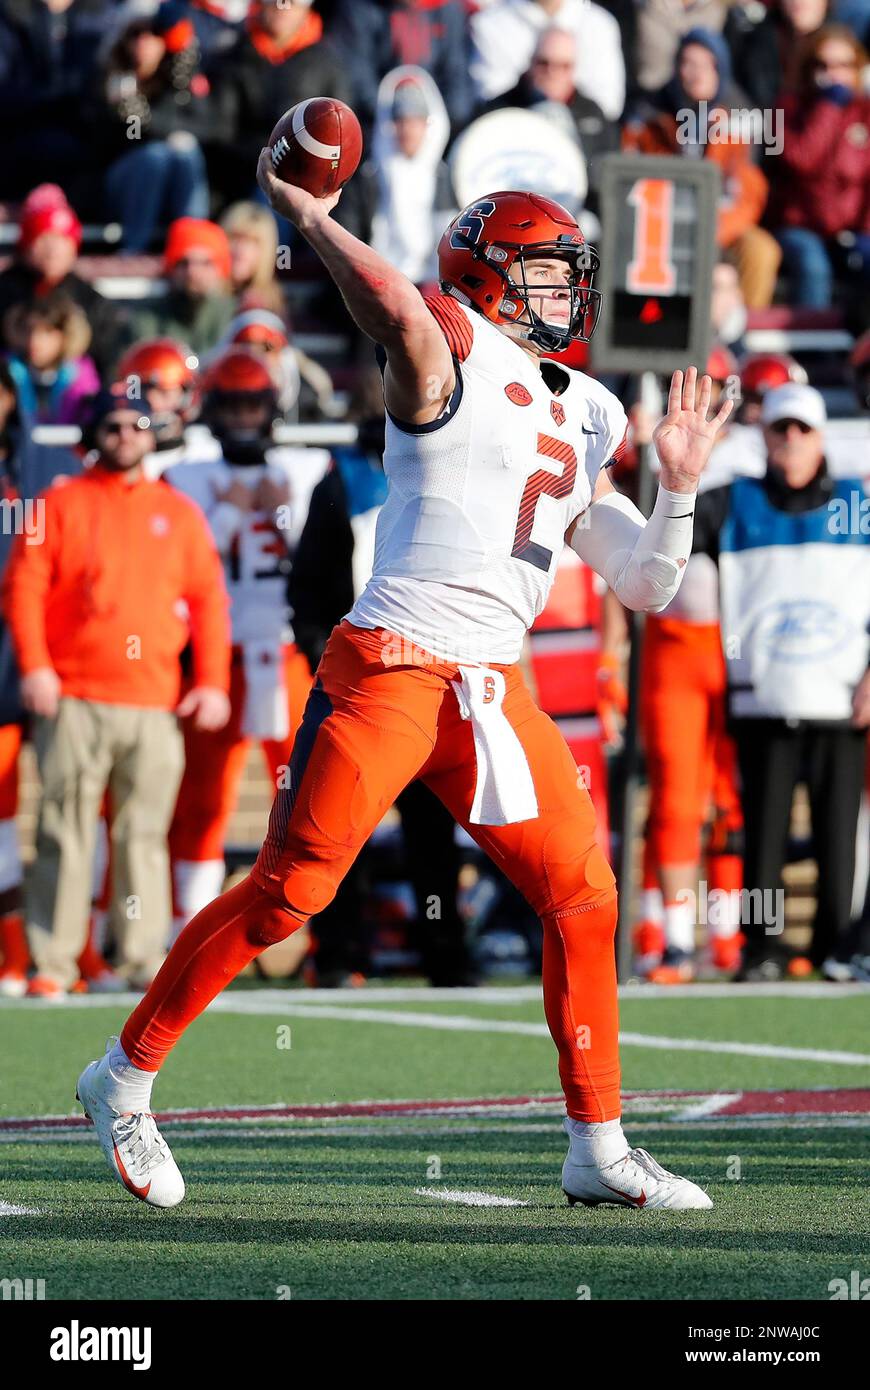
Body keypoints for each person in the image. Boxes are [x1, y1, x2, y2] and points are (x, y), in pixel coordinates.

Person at [75, 160, 732, 1211]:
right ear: (491, 277)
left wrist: (681, 488)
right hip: (391, 665)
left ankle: (596, 1141)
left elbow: (646, 582)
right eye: (552, 271)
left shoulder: (595, 409)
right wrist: (310, 219)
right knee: (294, 892)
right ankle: (124, 1073)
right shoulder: (450, 346)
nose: (571, 291)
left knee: (583, 893)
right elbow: (395, 310)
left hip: (490, 688)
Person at [1, 385, 231, 998]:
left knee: (144, 836)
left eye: (137, 424)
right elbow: (23, 588)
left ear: (154, 434)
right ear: (92, 436)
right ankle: (53, 963)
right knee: (63, 830)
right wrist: (36, 667)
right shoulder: (60, 503)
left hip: (154, 701)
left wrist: (209, 682)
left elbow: (209, 602)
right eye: (113, 425)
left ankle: (138, 958)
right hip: (73, 693)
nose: (126, 434)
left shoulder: (179, 512)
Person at [690, 383, 870, 980]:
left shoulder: (859, 504)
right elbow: (665, 525)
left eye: (802, 431)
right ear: (765, 436)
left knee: (836, 839)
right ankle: (762, 948)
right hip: (761, 701)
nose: (791, 442)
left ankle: (834, 949)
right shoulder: (731, 502)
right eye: (781, 430)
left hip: (841, 700)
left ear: (821, 438)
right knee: (762, 840)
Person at [165, 348, 329, 938]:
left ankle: (312, 933)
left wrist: (284, 518)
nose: (242, 418)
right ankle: (188, 929)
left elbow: (321, 560)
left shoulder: (304, 468)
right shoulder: (186, 473)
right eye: (231, 404)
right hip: (219, 654)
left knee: (313, 800)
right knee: (205, 798)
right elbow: (183, 564)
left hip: (286, 652)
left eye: (252, 404)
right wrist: (233, 517)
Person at [0, 361, 80, 998]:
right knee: (3, 821)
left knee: (73, 809)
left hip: (44, 666)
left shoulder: (45, 473)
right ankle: (12, 952)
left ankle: (80, 949)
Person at [769, 25, 870, 315]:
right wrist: (828, 108)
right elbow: (799, 158)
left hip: (850, 231)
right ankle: (813, 355)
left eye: (842, 65)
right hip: (798, 226)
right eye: (822, 65)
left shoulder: (866, 113)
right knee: (813, 266)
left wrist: (864, 233)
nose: (832, 73)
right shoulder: (784, 110)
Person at [121, 217, 237, 358]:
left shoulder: (235, 317)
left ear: (220, 270)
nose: (192, 272)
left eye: (205, 263)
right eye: (183, 263)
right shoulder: (145, 320)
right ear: (171, 269)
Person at [2, 292, 100, 427]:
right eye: (27, 330)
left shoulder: (80, 377)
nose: (34, 341)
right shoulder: (6, 371)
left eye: (47, 332)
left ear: (65, 335)